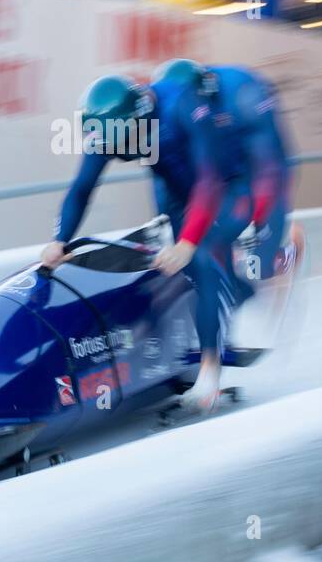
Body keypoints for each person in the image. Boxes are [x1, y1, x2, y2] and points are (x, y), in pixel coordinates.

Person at [40, 73, 253, 414]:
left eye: (120, 143)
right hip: (174, 181)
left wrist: (187, 243)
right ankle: (221, 301)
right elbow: (81, 189)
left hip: (222, 179)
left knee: (200, 258)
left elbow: (209, 181)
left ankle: (211, 367)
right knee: (168, 255)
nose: (116, 152)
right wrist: (59, 240)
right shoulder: (109, 128)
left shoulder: (182, 107)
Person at [152, 59, 293, 279]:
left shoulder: (243, 95)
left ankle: (283, 255)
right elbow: (166, 180)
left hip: (253, 159)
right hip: (218, 159)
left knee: (257, 269)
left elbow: (269, 169)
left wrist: (255, 220)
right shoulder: (169, 113)